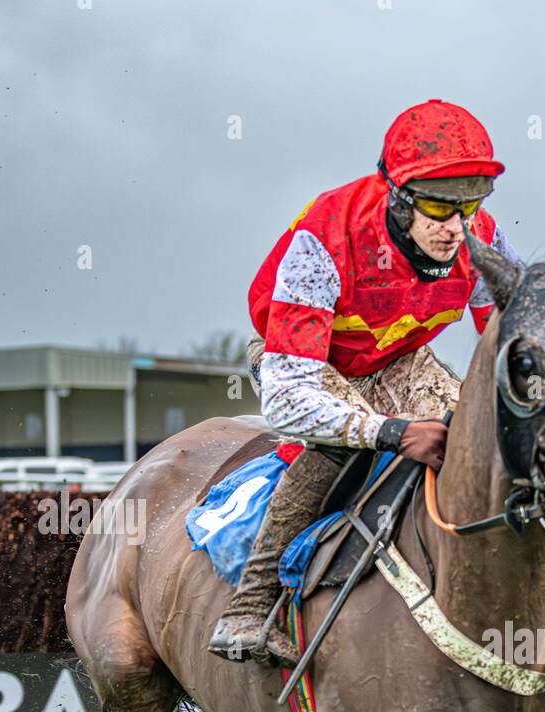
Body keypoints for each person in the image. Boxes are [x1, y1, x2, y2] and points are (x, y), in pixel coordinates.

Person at [209, 99, 524, 665]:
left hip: (398, 354)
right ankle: (249, 607)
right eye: (437, 207)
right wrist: (393, 432)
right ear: (397, 196)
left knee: (477, 437)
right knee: (339, 442)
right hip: (305, 359)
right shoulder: (324, 235)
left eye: (470, 206)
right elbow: (287, 398)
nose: (456, 229)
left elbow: (516, 332)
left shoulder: (482, 238)